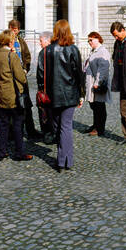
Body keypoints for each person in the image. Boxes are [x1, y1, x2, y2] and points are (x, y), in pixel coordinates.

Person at [45, 20, 85, 171]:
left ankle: (63, 161)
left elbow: (46, 74)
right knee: (66, 127)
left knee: (59, 126)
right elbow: (78, 74)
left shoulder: (49, 50)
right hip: (69, 93)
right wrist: (81, 94)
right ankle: (65, 161)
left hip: (54, 94)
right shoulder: (73, 49)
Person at [0, 31, 32, 162]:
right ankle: (19, 152)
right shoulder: (12, 56)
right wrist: (24, 72)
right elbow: (20, 76)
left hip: (1, 93)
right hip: (13, 95)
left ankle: (2, 151)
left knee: (4, 123)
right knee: (17, 123)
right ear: (9, 41)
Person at [5, 20, 39, 139]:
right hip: (10, 78)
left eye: (17, 30)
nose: (15, 32)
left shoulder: (21, 41)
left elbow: (27, 56)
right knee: (11, 104)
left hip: (22, 76)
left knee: (26, 104)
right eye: (13, 29)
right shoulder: (5, 41)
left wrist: (25, 69)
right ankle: (11, 132)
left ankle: (30, 129)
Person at [83, 31, 111, 138]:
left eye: (91, 40)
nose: (89, 42)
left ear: (98, 39)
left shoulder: (102, 52)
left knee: (99, 106)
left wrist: (97, 82)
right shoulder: (94, 51)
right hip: (91, 82)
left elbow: (103, 69)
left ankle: (100, 128)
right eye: (88, 40)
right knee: (94, 105)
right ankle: (95, 124)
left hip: (98, 84)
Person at [35, 31, 56, 143]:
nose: (40, 43)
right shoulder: (56, 50)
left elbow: (40, 71)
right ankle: (54, 132)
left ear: (48, 40)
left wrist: (41, 88)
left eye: (41, 41)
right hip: (55, 87)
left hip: (45, 88)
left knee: (44, 112)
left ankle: (47, 133)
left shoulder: (43, 53)